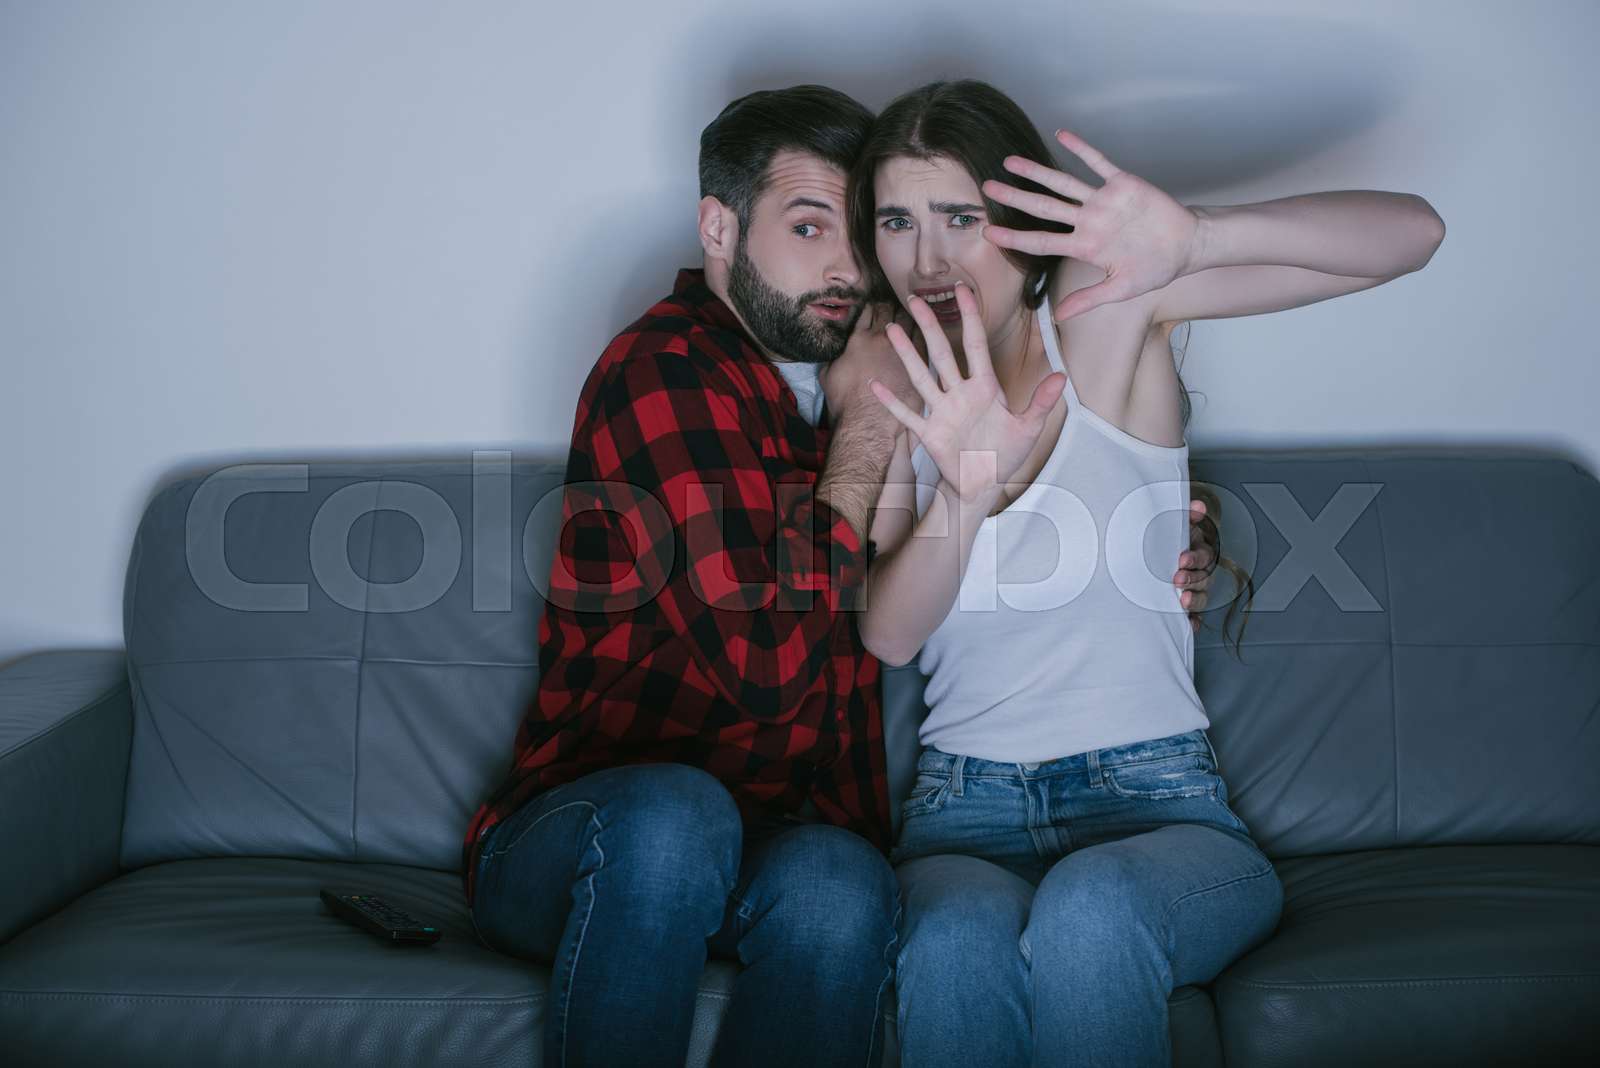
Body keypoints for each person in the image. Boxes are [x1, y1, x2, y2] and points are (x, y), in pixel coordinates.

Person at [460, 85, 1218, 1068]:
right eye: (807, 226)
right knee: (677, 820)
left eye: (861, 234)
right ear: (719, 228)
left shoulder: (884, 379)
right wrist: (861, 425)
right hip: (591, 847)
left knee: (842, 883)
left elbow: (1016, 517)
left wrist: (1150, 532)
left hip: (769, 847)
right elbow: (770, 668)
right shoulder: (667, 370)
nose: (848, 269)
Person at [847, 79, 1445, 1067]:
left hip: (1157, 800)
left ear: (1021, 219)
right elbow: (890, 636)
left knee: (1093, 909)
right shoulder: (896, 386)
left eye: (961, 217)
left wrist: (1201, 236)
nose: (929, 259)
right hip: (962, 816)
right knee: (951, 939)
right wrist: (964, 488)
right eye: (897, 222)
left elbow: (1413, 236)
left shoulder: (1103, 310)